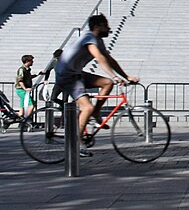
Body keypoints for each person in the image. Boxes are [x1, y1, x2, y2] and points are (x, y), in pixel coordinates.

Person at [53, 13, 139, 156]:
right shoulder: (89, 37)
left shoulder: (98, 40)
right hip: (67, 76)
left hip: (77, 73)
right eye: (106, 25)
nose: (108, 28)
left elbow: (109, 59)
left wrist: (126, 76)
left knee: (107, 83)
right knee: (87, 107)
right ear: (98, 26)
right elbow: (99, 57)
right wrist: (114, 75)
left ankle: (97, 112)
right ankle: (76, 143)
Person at [15, 54, 36, 125]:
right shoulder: (22, 69)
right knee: (32, 105)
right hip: (21, 90)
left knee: (22, 106)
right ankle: (26, 119)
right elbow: (20, 80)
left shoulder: (27, 69)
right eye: (31, 61)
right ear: (27, 61)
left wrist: (38, 74)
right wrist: (25, 88)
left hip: (23, 90)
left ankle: (21, 119)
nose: (32, 62)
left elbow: (28, 77)